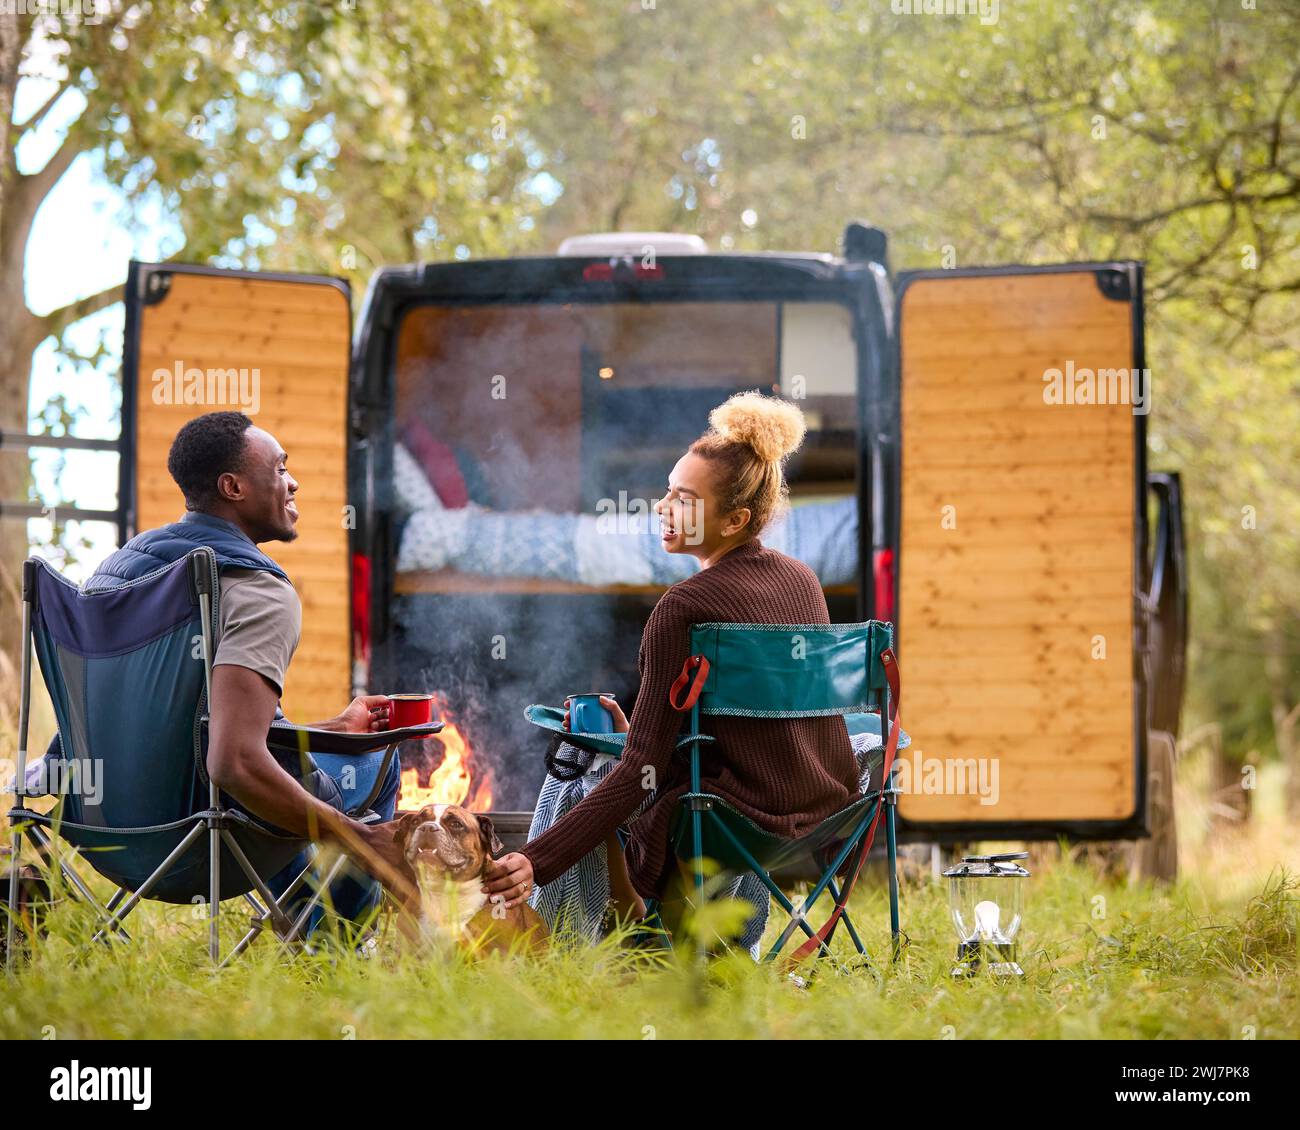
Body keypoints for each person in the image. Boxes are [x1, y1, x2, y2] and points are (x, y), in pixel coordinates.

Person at [485, 392, 868, 949]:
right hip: (823, 809)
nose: (663, 507)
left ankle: (620, 934)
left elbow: (640, 765)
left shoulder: (683, 607)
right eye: (667, 490)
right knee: (623, 759)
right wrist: (637, 724)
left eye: (684, 499)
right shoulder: (801, 580)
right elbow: (764, 723)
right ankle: (700, 936)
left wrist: (534, 860)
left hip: (729, 823)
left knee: (585, 767)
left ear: (736, 519)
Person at [76, 411, 413, 922]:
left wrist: (333, 728)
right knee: (380, 764)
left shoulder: (116, 573)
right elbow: (232, 763)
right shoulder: (256, 590)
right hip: (199, 842)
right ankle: (326, 944)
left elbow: (185, 734)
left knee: (317, 753)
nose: (292, 480)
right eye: (279, 468)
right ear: (233, 487)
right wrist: (365, 839)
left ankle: (306, 919)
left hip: (104, 834)